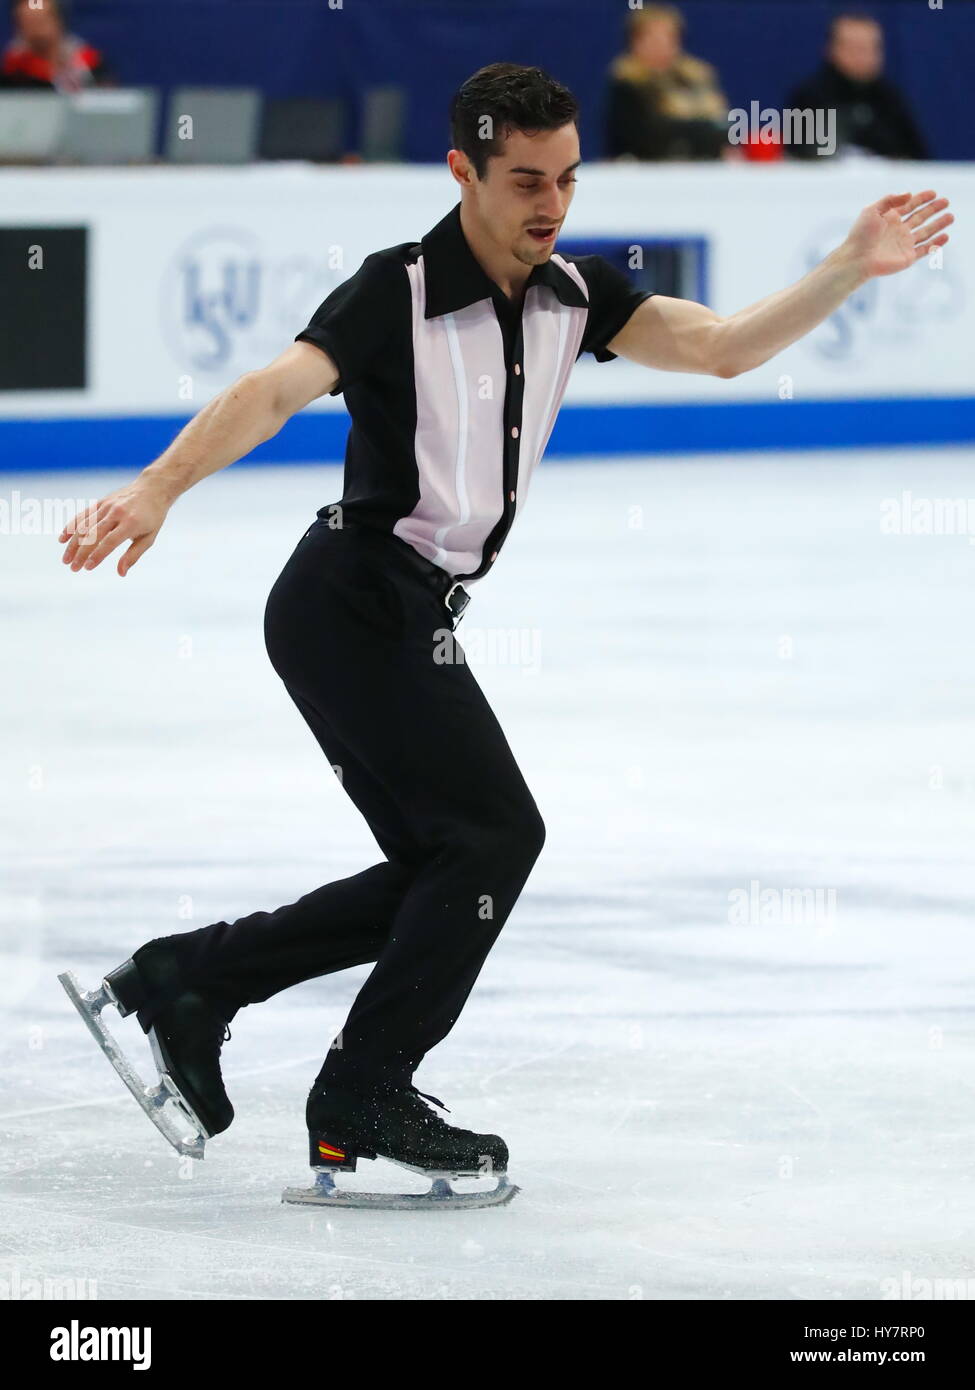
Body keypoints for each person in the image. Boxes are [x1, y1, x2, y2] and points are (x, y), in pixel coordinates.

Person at [59, 62, 952, 1203]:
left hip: (397, 612)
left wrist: (845, 268)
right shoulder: (397, 290)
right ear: (463, 171)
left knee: (450, 862)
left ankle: (190, 983)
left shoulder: (576, 293)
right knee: (492, 840)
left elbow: (725, 347)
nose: (551, 204)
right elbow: (273, 390)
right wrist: (157, 487)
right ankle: (362, 1087)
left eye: (568, 179)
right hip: (351, 598)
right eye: (525, 180)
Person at [787, 11, 928, 161]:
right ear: (831, 49)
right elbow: (795, 158)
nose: (862, 56)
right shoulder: (809, 97)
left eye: (870, 48)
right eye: (854, 47)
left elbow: (918, 157)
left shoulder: (890, 99)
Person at [605, 3, 727, 161]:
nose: (661, 45)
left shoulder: (696, 78)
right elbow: (643, 136)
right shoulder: (626, 84)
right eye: (653, 38)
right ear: (635, 41)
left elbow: (721, 127)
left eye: (669, 38)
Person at [1, 0, 113, 91]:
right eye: (28, 23)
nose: (36, 30)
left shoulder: (90, 61)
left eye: (40, 21)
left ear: (58, 20)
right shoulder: (14, 71)